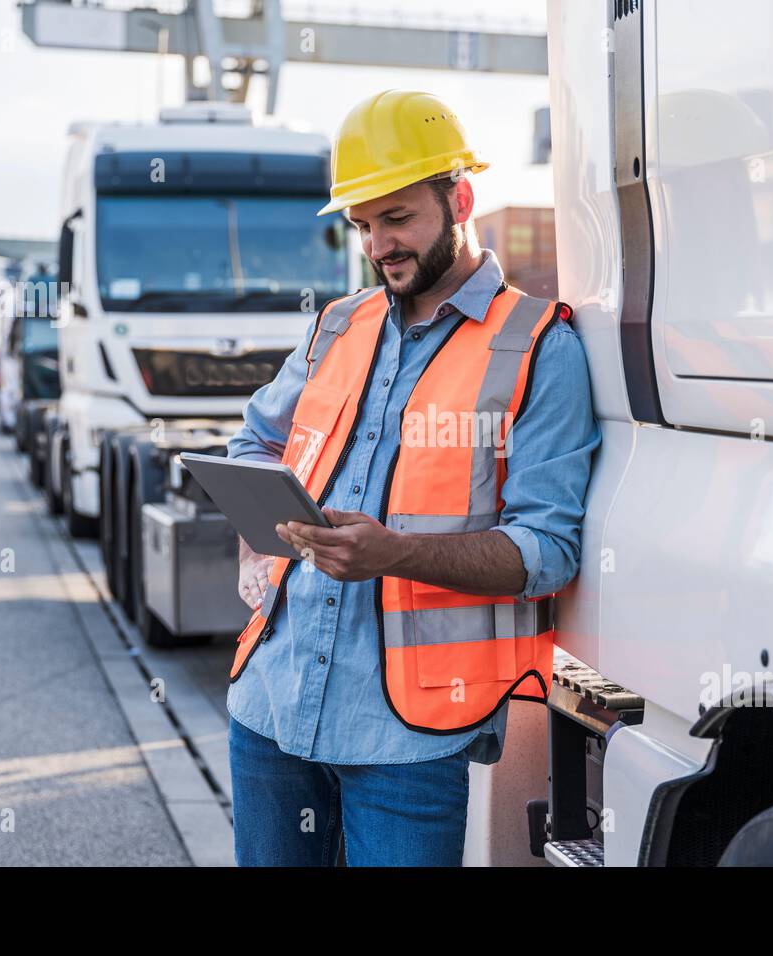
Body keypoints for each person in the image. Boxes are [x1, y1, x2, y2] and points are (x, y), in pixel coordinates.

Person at [225, 89, 600, 866]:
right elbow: (253, 443)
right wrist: (256, 539)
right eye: (363, 225)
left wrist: (394, 554)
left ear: (458, 197)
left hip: (409, 738)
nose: (378, 245)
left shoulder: (538, 346)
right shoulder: (338, 325)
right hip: (270, 705)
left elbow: (548, 550)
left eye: (397, 218)